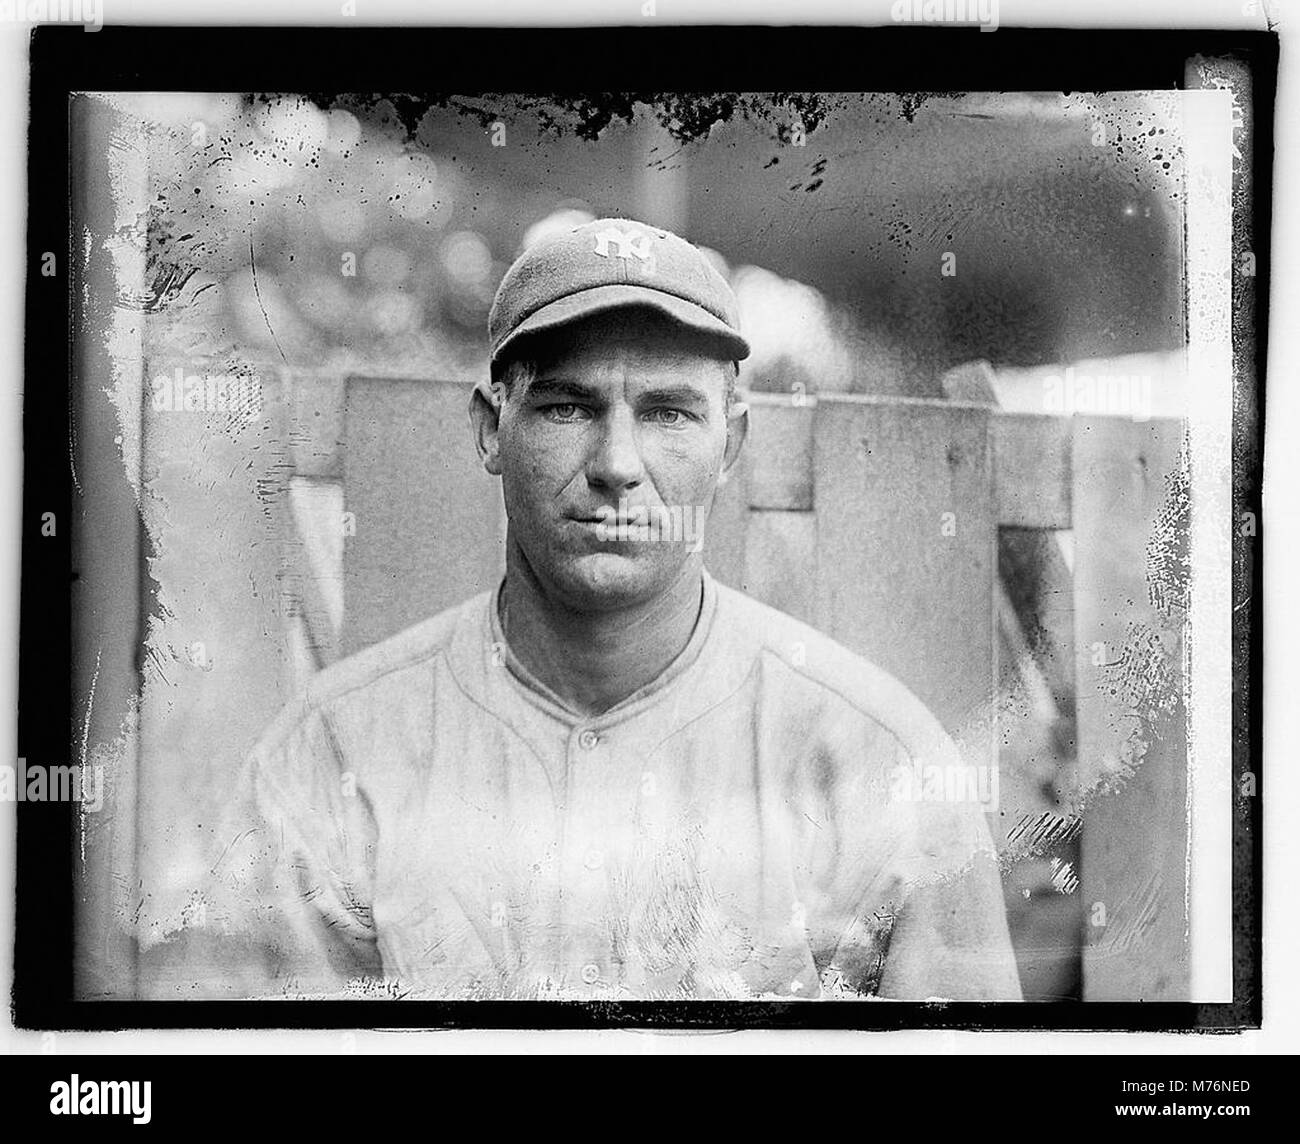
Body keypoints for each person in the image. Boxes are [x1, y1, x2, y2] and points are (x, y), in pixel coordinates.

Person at [191, 217, 1021, 1001]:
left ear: (730, 445)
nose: (617, 463)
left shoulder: (878, 763)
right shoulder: (334, 754)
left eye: (667, 412)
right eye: (568, 407)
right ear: (491, 428)